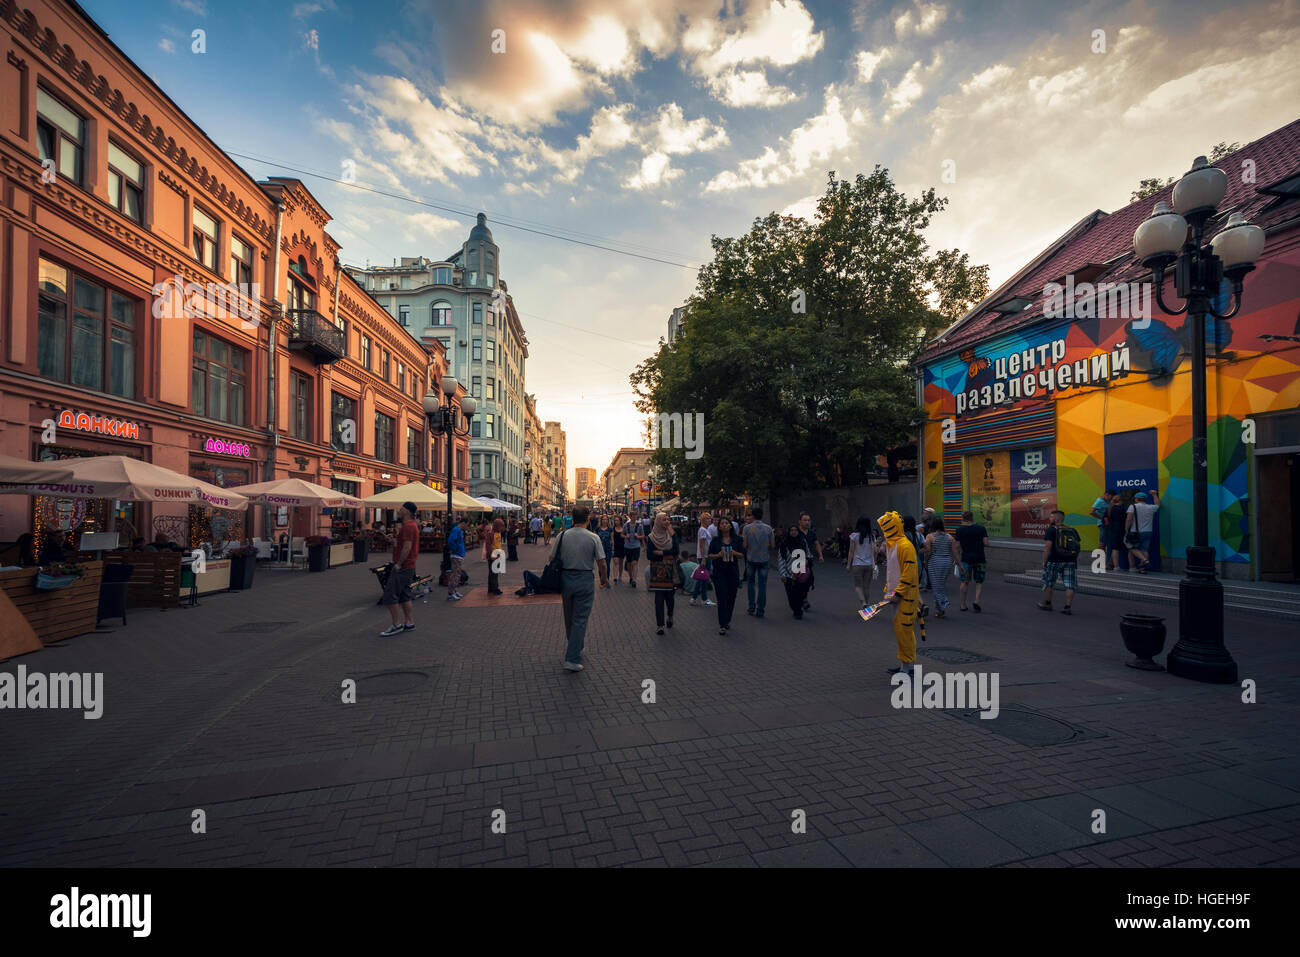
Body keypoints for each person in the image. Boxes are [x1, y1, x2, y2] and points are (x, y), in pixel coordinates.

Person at [552, 506, 609, 672]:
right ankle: (572, 658)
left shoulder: (562, 535)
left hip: (565, 578)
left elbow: (551, 557)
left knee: (569, 616)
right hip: (584, 578)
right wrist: (603, 579)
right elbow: (602, 563)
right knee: (580, 618)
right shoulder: (593, 537)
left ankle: (575, 645)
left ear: (571, 517)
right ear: (588, 519)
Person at [878, 510, 920, 676]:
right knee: (902, 631)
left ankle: (907, 668)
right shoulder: (894, 545)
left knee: (904, 630)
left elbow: (908, 573)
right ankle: (906, 665)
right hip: (898, 596)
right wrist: (889, 591)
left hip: (905, 597)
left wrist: (898, 593)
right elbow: (894, 571)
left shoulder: (904, 546)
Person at [379, 502, 421, 636]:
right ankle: (409, 622)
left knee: (389, 594)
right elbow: (403, 545)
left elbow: (407, 547)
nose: (399, 510)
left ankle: (396, 624)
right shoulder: (410, 526)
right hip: (409, 566)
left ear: (407, 511)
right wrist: (393, 541)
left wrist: (398, 564)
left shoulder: (408, 526)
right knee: (404, 595)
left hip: (403, 566)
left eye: (401, 509)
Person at [708, 516, 746, 634]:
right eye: (722, 523)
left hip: (732, 571)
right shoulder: (715, 540)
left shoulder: (737, 540)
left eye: (726, 523)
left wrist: (734, 553)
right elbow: (709, 555)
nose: (724, 525)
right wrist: (718, 555)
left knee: (731, 597)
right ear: (719, 527)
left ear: (730, 526)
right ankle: (722, 624)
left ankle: (727, 619)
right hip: (719, 571)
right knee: (722, 597)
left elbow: (742, 555)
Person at [1038, 509, 1080, 615]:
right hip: (1070, 561)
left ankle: (1048, 604)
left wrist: (1044, 561)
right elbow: (1077, 546)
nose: (1049, 518)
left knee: (1049, 582)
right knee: (1070, 584)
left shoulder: (1052, 530)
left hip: (1054, 560)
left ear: (1056, 519)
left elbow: (1047, 547)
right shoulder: (1072, 530)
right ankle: (1067, 607)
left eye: (1051, 517)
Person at [645, 512, 680, 635]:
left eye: (668, 519)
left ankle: (670, 615)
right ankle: (660, 625)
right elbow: (649, 554)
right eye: (664, 519)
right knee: (658, 599)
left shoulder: (672, 535)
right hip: (658, 569)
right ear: (658, 521)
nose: (667, 521)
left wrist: (662, 552)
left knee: (670, 598)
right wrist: (667, 553)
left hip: (671, 569)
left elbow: (676, 551)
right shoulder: (651, 537)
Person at [952, 510, 990, 612]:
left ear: (963, 519)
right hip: (980, 558)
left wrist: (956, 560)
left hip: (966, 559)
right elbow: (986, 543)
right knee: (979, 582)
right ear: (973, 517)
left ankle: (963, 605)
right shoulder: (981, 529)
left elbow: (956, 547)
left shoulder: (960, 530)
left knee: (964, 581)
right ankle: (976, 601)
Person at [741, 506, 774, 617]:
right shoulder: (769, 529)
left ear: (753, 516)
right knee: (762, 585)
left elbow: (744, 545)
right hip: (764, 559)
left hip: (751, 559)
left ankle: (751, 607)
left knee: (750, 584)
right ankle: (760, 609)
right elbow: (773, 546)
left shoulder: (746, 528)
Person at [922, 516, 956, 618]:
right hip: (947, 561)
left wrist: (926, 562)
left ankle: (944, 601)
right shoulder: (950, 537)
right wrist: (957, 562)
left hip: (935, 561)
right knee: (941, 584)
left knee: (936, 585)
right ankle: (940, 610)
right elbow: (954, 551)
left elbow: (928, 552)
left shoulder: (930, 536)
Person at [777, 524, 812, 620]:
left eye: (795, 530)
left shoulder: (802, 542)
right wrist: (783, 574)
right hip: (789, 573)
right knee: (791, 594)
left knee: (801, 593)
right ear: (789, 532)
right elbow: (781, 560)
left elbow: (808, 553)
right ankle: (796, 610)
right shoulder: (784, 544)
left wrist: (807, 560)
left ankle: (798, 609)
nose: (793, 532)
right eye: (791, 530)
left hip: (801, 573)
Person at [846, 516, 878, 613]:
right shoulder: (872, 536)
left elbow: (851, 551)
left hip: (857, 564)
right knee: (866, 586)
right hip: (869, 565)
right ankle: (866, 604)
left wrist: (848, 565)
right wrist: (874, 562)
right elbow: (875, 551)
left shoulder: (854, 536)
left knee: (858, 586)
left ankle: (863, 602)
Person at [1125, 490, 1161, 572]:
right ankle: (1142, 568)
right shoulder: (1151, 507)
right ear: (1145, 499)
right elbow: (1158, 505)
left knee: (1131, 547)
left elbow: (1129, 519)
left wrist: (1126, 528)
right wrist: (1154, 495)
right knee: (1144, 549)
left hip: (1136, 532)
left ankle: (1144, 560)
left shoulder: (1133, 507)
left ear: (1136, 499)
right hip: (1148, 532)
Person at [798, 512, 822, 611]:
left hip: (808, 560)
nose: (807, 522)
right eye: (805, 520)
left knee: (808, 580)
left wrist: (820, 555)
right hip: (797, 560)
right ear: (799, 521)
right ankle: (802, 600)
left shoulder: (812, 533)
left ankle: (804, 598)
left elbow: (817, 544)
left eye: (808, 520)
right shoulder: (796, 532)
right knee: (799, 580)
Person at [693, 511, 716, 606]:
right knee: (704, 578)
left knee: (701, 577)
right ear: (703, 520)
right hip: (705, 557)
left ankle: (694, 598)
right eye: (707, 518)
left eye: (710, 518)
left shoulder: (705, 529)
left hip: (705, 556)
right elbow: (702, 545)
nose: (709, 520)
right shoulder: (702, 530)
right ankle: (704, 598)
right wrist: (703, 558)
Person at [1106, 494, 1129, 571]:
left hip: (1112, 530)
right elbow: (1126, 519)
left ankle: (1112, 564)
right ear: (1121, 501)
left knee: (1115, 548)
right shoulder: (1122, 509)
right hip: (1120, 529)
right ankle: (1116, 566)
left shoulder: (1110, 508)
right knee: (1116, 548)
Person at [446, 517, 466, 601]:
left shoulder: (457, 530)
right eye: (467, 525)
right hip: (456, 555)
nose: (466, 527)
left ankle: (454, 590)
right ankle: (451, 592)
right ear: (464, 523)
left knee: (457, 574)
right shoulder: (456, 530)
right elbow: (450, 541)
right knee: (455, 574)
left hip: (458, 555)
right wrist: (456, 550)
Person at [1090, 489, 1114, 556]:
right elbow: (1091, 512)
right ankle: (1100, 561)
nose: (1111, 499)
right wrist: (1102, 518)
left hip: (1108, 523)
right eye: (1110, 497)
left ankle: (1103, 561)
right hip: (1102, 524)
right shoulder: (1099, 501)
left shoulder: (1107, 501)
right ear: (1106, 494)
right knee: (1102, 542)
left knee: (1106, 541)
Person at [621, 513, 642, 587]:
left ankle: (634, 580)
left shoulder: (639, 526)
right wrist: (626, 536)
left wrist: (638, 537)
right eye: (633, 516)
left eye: (635, 516)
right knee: (629, 563)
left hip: (636, 546)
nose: (635, 517)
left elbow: (643, 535)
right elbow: (622, 534)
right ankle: (631, 577)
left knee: (635, 562)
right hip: (628, 546)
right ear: (630, 517)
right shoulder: (626, 525)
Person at [487, 518, 506, 595]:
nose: (502, 528)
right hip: (493, 555)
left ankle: (491, 588)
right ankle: (495, 588)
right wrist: (491, 555)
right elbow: (488, 545)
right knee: (494, 572)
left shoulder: (498, 533)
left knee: (494, 572)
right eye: (501, 526)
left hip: (497, 555)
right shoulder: (491, 534)